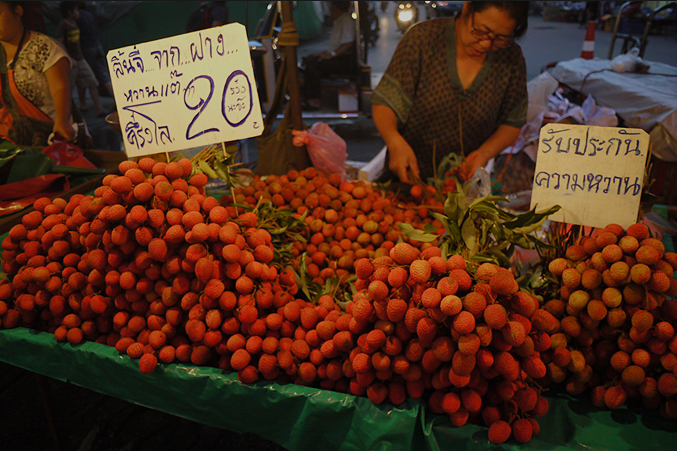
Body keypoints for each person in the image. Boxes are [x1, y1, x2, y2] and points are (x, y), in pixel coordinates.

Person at [371, 1, 529, 184]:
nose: (486, 44)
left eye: (500, 38)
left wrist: (485, 152)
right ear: (467, 7)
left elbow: (512, 121)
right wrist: (394, 141)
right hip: (406, 180)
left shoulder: (511, 59)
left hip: (462, 188)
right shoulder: (423, 39)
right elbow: (386, 101)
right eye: (481, 31)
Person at [0, 1, 75, 145]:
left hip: (51, 140)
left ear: (18, 11)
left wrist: (62, 121)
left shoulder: (44, 47)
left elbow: (60, 88)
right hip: (12, 144)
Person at [302, 1, 357, 110]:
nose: (330, 12)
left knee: (313, 64)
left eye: (332, 9)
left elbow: (349, 43)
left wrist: (331, 55)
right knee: (309, 59)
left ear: (337, 9)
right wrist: (324, 54)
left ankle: (313, 99)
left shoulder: (347, 20)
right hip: (337, 57)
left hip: (343, 61)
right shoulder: (339, 21)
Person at [56, 1, 104, 116]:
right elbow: (59, 42)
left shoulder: (75, 22)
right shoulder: (64, 24)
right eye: (76, 10)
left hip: (80, 59)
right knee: (68, 88)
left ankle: (99, 110)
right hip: (72, 61)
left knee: (92, 82)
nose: (78, 13)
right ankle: (66, 114)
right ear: (69, 12)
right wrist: (68, 58)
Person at [76, 2, 114, 98]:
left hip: (87, 49)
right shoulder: (89, 15)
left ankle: (84, 104)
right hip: (96, 46)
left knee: (86, 78)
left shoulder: (76, 18)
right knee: (103, 75)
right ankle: (115, 96)